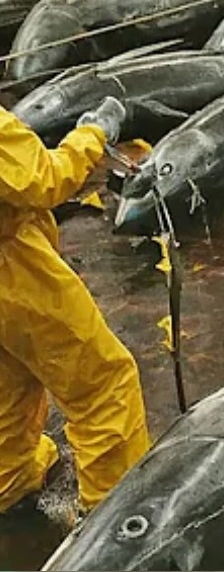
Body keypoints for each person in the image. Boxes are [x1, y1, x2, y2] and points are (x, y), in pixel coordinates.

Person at [0, 97, 150, 515]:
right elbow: (44, 180)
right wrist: (94, 132)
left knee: (8, 383)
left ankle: (8, 483)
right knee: (102, 384)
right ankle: (115, 512)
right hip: (13, 272)